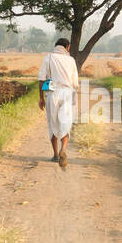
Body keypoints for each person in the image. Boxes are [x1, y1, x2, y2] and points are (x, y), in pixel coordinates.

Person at [38, 37, 80, 168]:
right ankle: (64, 149)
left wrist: (41, 98)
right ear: (67, 47)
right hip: (67, 93)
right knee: (65, 123)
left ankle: (56, 155)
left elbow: (41, 80)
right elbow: (75, 83)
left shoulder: (48, 58)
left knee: (52, 124)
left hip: (52, 93)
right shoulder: (71, 60)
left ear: (56, 46)